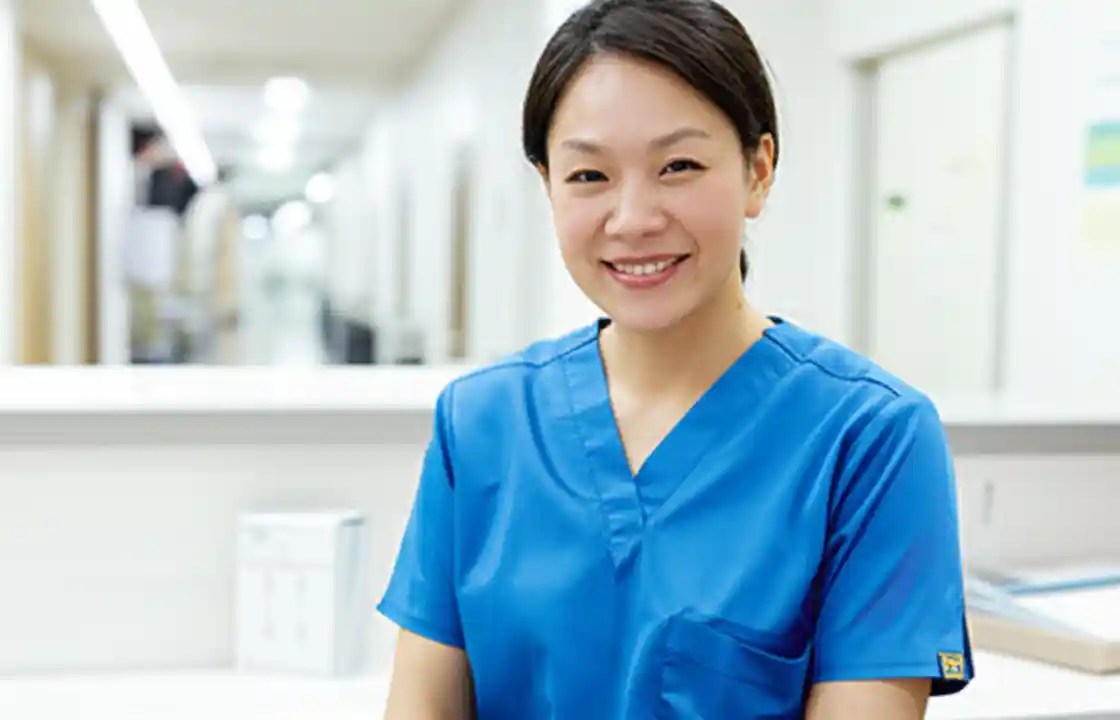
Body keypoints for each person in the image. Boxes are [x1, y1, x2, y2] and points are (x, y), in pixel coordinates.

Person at [378, 0, 973, 717]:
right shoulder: (479, 424)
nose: (633, 219)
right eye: (589, 177)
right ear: (547, 187)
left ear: (759, 170)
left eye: (679, 165)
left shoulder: (870, 438)